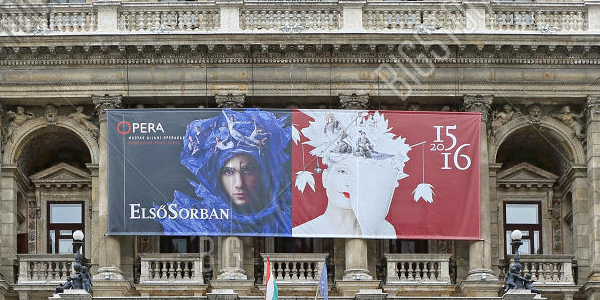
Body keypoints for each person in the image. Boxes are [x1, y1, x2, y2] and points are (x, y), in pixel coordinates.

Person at [148, 109, 293, 237]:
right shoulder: (191, 221)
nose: (239, 183)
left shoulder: (286, 221)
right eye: (228, 171)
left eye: (247, 170)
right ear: (216, 177)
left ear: (263, 173)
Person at [293, 110, 413, 238]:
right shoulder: (302, 231)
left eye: (361, 174)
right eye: (343, 171)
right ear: (325, 177)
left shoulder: (385, 229)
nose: (350, 183)